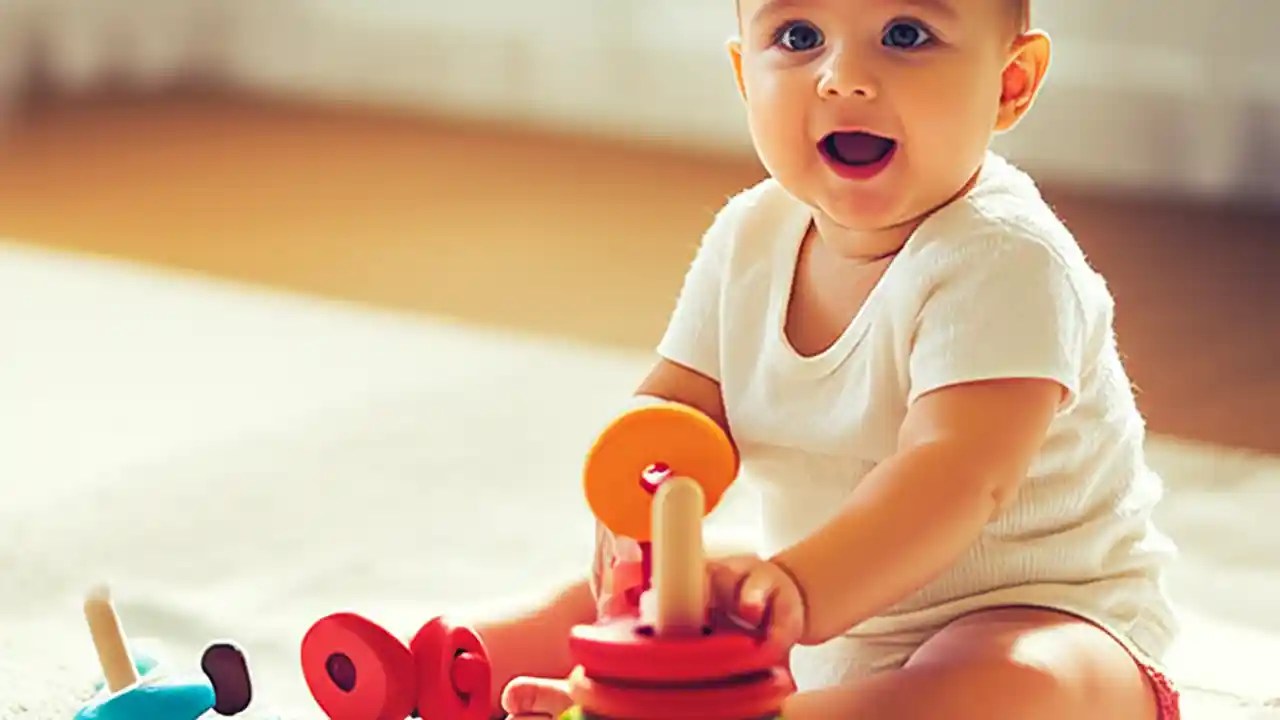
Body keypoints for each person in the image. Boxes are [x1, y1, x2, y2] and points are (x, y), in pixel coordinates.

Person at [486, 0, 1181, 717]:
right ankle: (450, 663)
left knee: (1007, 682)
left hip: (1043, 619)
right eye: (798, 37)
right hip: (813, 612)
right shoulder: (748, 236)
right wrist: (642, 494)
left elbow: (958, 476)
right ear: (745, 75)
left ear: (1011, 83)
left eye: (906, 35)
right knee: (659, 589)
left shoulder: (1006, 259)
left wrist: (801, 589)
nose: (843, 78)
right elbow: (684, 406)